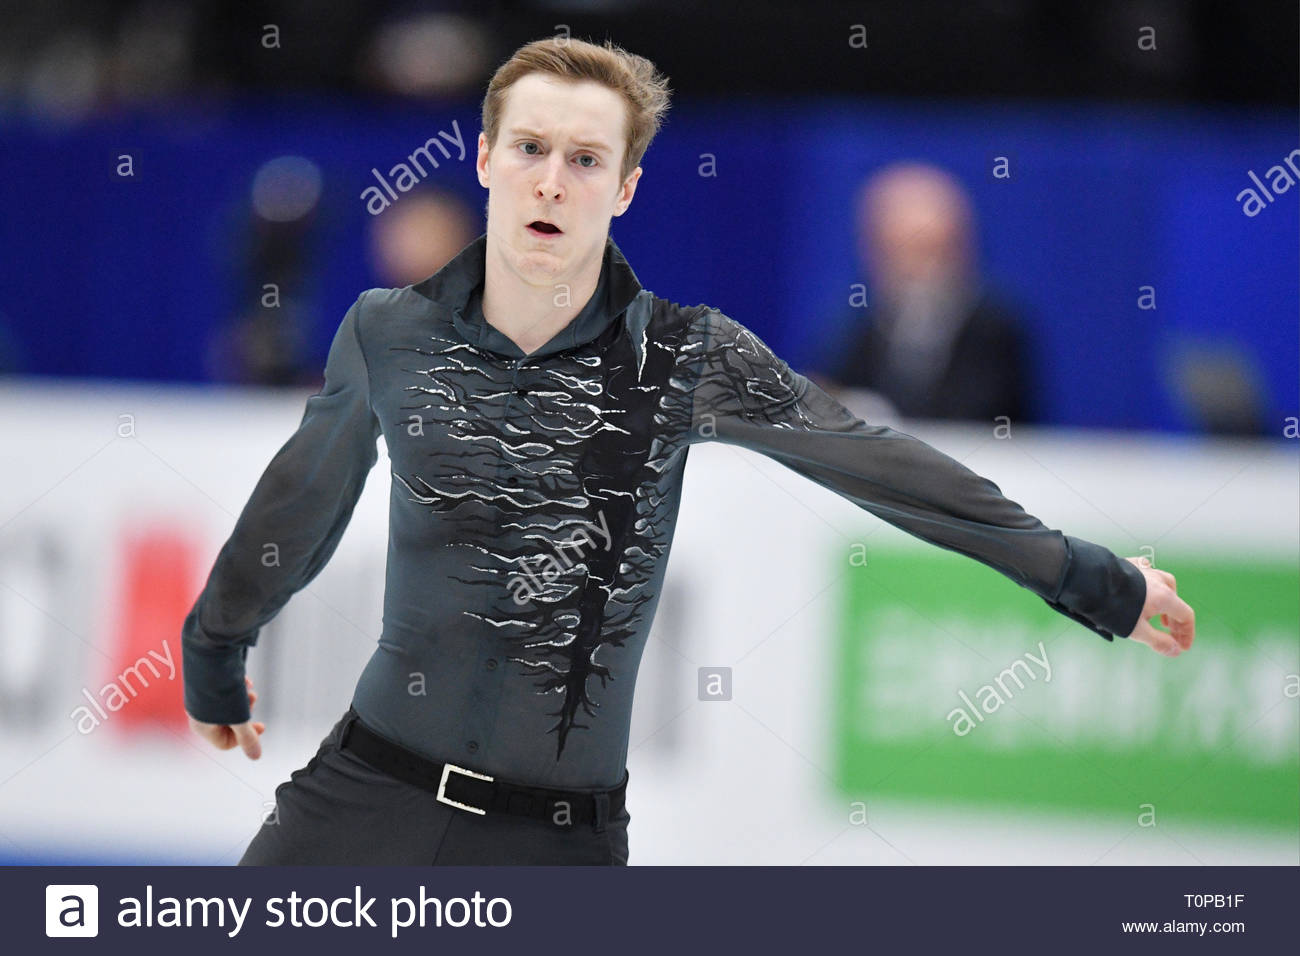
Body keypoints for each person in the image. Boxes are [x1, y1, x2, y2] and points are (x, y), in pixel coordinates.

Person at [181, 36, 1195, 866]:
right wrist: (215, 649)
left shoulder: (684, 354)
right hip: (362, 805)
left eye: (585, 160)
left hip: (558, 844)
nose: (551, 181)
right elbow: (299, 501)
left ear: (624, 188)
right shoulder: (387, 330)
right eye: (529, 147)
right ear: (486, 160)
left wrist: (1090, 578)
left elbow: (879, 462)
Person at [813, 163, 1034, 423]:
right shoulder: (859, 329)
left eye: (930, 251)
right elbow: (829, 392)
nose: (915, 271)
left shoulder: (994, 330)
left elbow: (985, 413)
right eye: (898, 252)